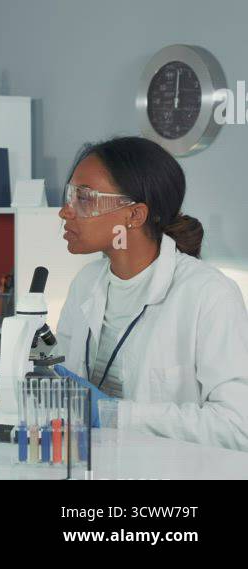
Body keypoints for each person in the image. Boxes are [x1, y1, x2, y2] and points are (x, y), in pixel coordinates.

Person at [55, 136, 248, 451]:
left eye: (84, 198)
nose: (66, 211)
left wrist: (116, 415)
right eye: (69, 195)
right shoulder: (85, 283)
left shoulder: (208, 295)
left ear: (134, 215)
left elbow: (238, 426)